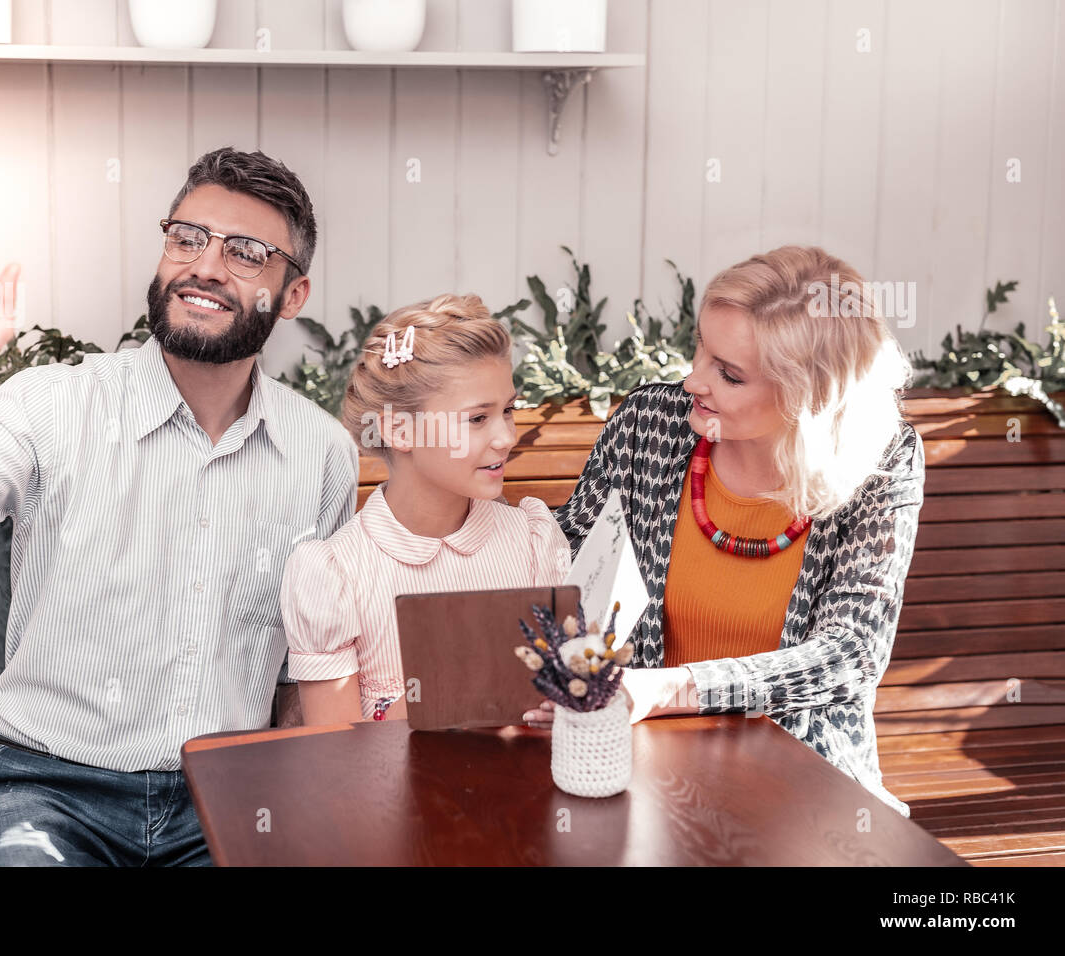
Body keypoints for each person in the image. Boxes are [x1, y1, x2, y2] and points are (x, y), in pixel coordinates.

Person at [0, 147, 359, 864]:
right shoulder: (52, 407)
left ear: (291, 295)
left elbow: (306, 671)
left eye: (248, 253)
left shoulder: (321, 452)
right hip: (45, 791)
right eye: (187, 238)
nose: (205, 266)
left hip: (229, 795)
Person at [533, 245, 924, 818]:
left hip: (804, 785)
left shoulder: (882, 461)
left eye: (729, 374)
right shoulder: (651, 424)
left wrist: (666, 689)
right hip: (645, 770)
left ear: (809, 398)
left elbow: (851, 655)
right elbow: (567, 563)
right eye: (701, 349)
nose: (693, 380)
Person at [279, 294, 571, 724]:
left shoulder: (532, 542)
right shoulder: (335, 574)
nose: (506, 437)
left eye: (508, 410)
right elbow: (334, 758)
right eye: (476, 419)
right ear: (399, 429)